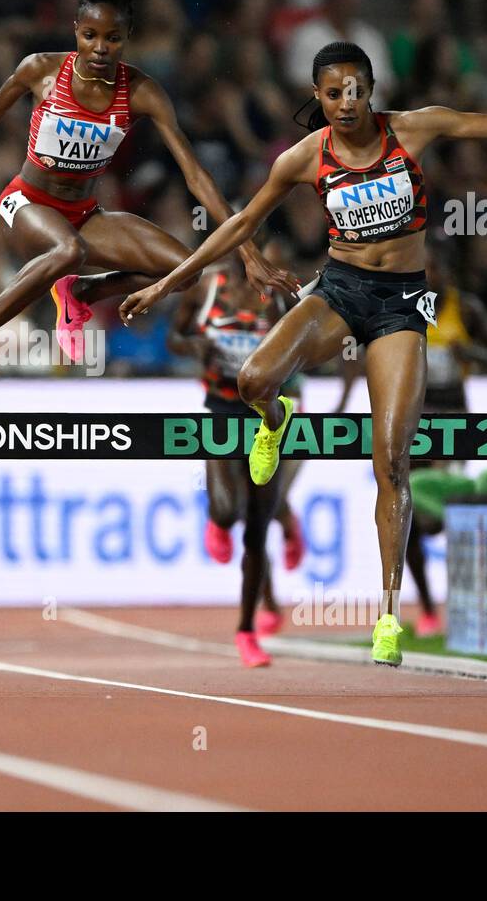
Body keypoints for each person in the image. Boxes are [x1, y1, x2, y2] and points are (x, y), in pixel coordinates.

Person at [119, 40, 487, 667]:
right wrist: (168, 283)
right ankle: (276, 425)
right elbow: (240, 225)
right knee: (253, 380)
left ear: (373, 90)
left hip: (403, 303)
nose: (346, 103)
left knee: (392, 461)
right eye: (333, 93)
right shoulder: (304, 158)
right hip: (338, 289)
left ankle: (388, 617)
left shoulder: (413, 130)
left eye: (356, 90)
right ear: (318, 97)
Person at [0, 0, 289, 371]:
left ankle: (81, 292)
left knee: (185, 271)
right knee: (70, 250)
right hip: (25, 203)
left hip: (84, 215)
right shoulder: (42, 69)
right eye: (90, 35)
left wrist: (247, 253)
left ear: (127, 35)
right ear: (76, 30)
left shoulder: (141, 92)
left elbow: (196, 176)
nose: (99, 48)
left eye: (112, 38)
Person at [167, 246, 302, 667]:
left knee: (257, 529)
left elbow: (303, 351)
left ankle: (247, 630)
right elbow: (175, 337)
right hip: (220, 413)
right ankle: (219, 519)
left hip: (267, 417)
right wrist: (195, 349)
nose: (268, 268)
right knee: (228, 512)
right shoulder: (208, 287)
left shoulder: (279, 297)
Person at [405, 241, 487, 637]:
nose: (424, 278)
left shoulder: (465, 308)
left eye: (430, 270)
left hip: (453, 418)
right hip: (413, 417)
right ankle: (428, 608)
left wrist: (471, 351)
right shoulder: (401, 306)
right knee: (409, 514)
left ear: (443, 273)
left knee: (439, 518)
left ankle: (467, 602)